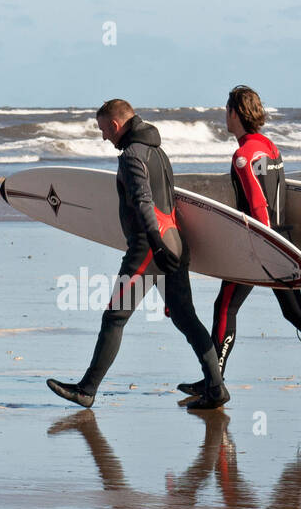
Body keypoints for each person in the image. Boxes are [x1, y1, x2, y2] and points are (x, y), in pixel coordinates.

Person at [47, 99, 229, 410]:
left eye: (104, 129)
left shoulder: (131, 156)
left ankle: (87, 390)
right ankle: (216, 388)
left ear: (116, 126)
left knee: (114, 317)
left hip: (149, 247)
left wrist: (155, 244)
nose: (104, 136)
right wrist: (167, 244)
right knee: (186, 318)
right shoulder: (157, 151)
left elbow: (144, 202)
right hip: (175, 241)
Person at [178, 86, 301, 398]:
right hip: (281, 237)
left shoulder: (242, 156)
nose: (224, 116)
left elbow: (257, 206)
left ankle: (214, 383)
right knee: (295, 311)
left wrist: (266, 248)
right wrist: (287, 251)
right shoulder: (270, 146)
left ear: (235, 113)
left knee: (225, 307)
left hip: (258, 244)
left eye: (226, 110)